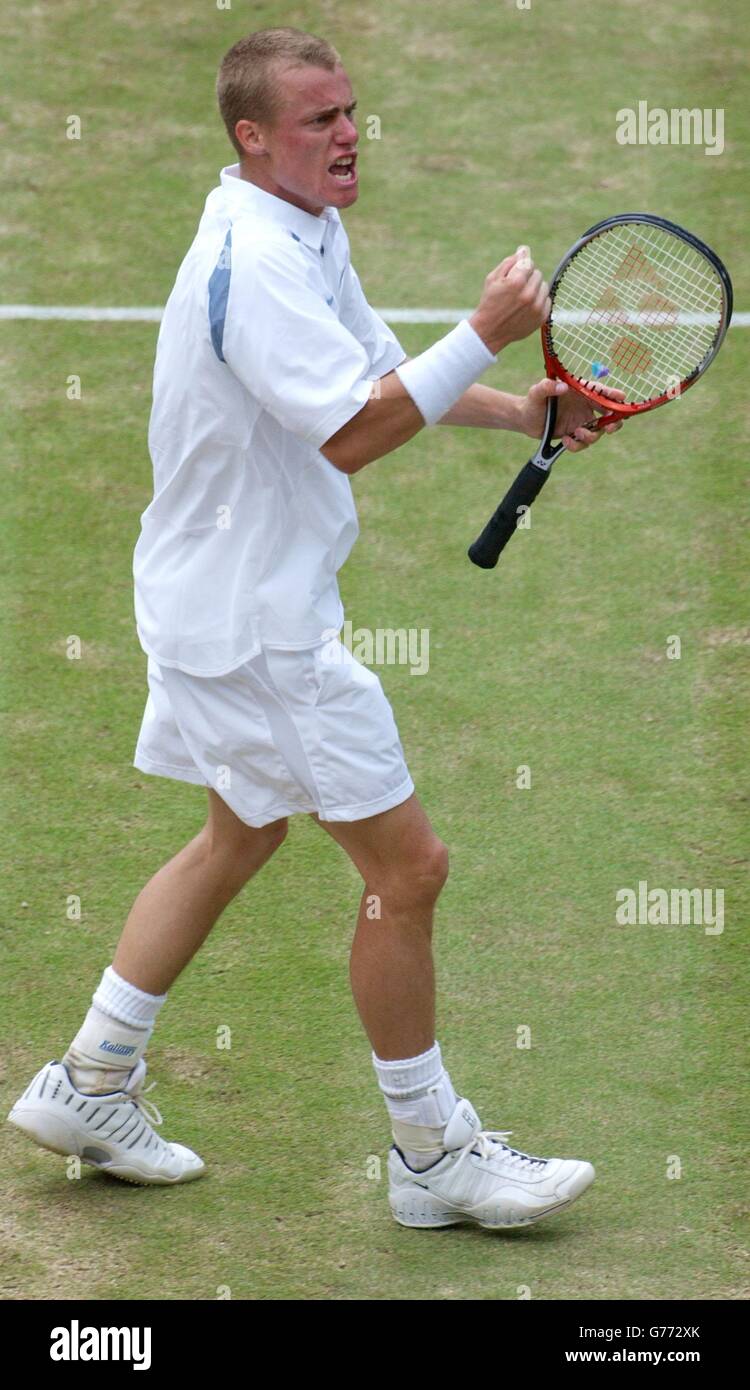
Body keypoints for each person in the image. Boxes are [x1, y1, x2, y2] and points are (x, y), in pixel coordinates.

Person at [8, 27, 622, 1228]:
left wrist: (518, 410)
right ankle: (432, 1157)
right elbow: (351, 431)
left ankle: (90, 1077)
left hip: (207, 605)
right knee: (409, 869)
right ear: (252, 138)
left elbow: (379, 371)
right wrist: (488, 327)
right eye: (317, 121)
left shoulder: (303, 231)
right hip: (257, 630)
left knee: (238, 834)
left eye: (350, 113)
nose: (347, 136)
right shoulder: (257, 261)